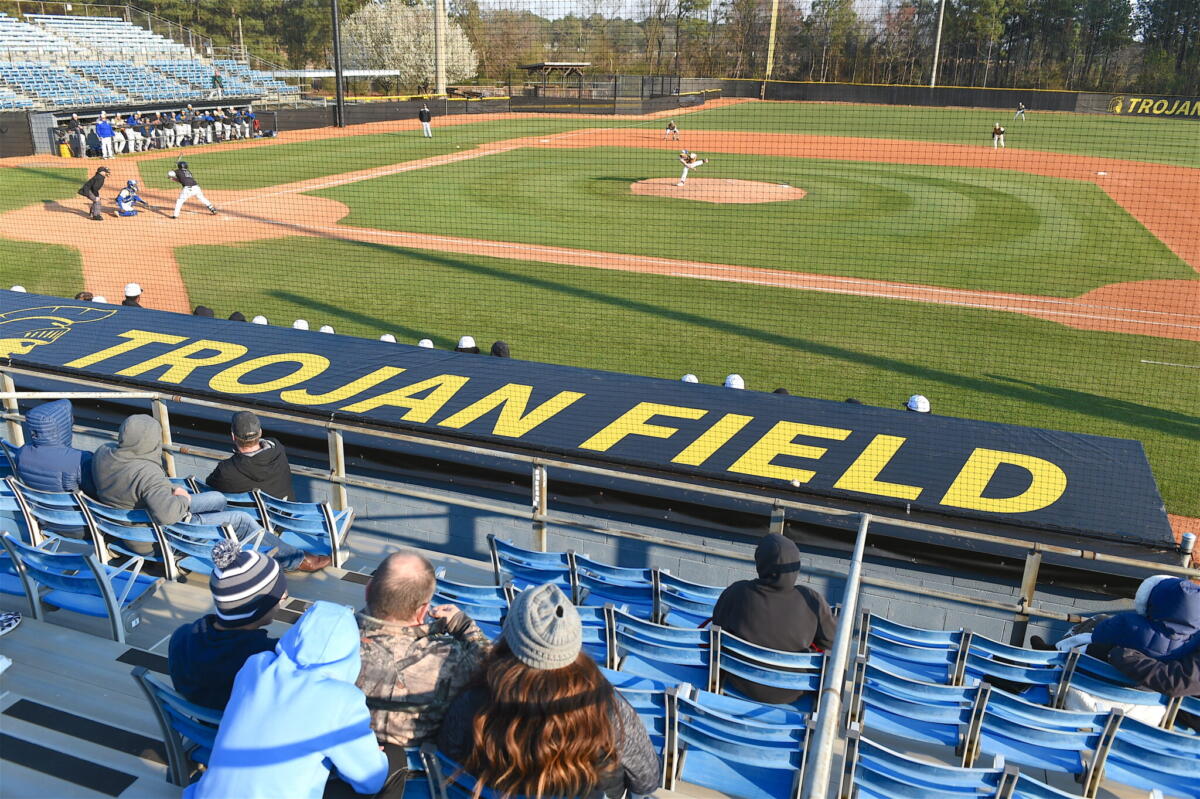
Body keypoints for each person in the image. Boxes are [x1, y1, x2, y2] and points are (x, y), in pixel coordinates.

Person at [438, 584, 660, 798]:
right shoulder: (607, 708)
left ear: (508, 639)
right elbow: (646, 780)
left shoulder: (473, 702)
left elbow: (448, 759)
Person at [184, 602, 389, 799]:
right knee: (393, 760)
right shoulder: (344, 700)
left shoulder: (256, 666)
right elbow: (370, 781)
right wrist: (367, 756)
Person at [91, 415, 328, 572]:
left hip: (123, 526)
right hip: (155, 535)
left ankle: (229, 538)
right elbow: (167, 515)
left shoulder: (103, 453)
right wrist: (181, 496)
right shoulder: (147, 472)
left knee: (218, 499)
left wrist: (169, 490)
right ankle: (296, 560)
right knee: (241, 519)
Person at [357, 551, 490, 747]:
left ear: (368, 591)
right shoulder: (451, 659)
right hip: (424, 767)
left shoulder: (330, 641)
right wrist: (463, 625)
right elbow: (497, 668)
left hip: (339, 761)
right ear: (422, 611)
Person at [711, 534, 836, 704]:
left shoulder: (736, 592)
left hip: (740, 682)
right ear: (796, 567)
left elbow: (718, 625)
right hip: (792, 692)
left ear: (760, 563)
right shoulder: (812, 600)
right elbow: (832, 643)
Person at [168, 540, 287, 710]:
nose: (284, 598)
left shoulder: (181, 638)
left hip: (201, 727)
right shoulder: (269, 657)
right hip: (245, 732)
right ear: (258, 607)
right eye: (281, 595)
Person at [206, 411, 296, 500]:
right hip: (284, 514)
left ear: (233, 436)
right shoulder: (278, 450)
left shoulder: (225, 471)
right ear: (260, 432)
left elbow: (209, 487)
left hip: (247, 514)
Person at [12, 399, 93, 494]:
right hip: (70, 508)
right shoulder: (80, 459)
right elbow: (94, 494)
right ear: (63, 425)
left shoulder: (21, 452)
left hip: (38, 506)